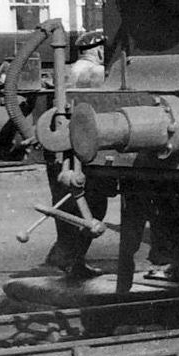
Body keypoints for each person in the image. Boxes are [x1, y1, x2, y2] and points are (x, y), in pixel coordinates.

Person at [44, 29, 110, 278]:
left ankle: (67, 256)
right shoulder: (96, 72)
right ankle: (70, 259)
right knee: (92, 205)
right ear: (100, 50)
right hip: (81, 147)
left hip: (58, 147)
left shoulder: (67, 70)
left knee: (64, 203)